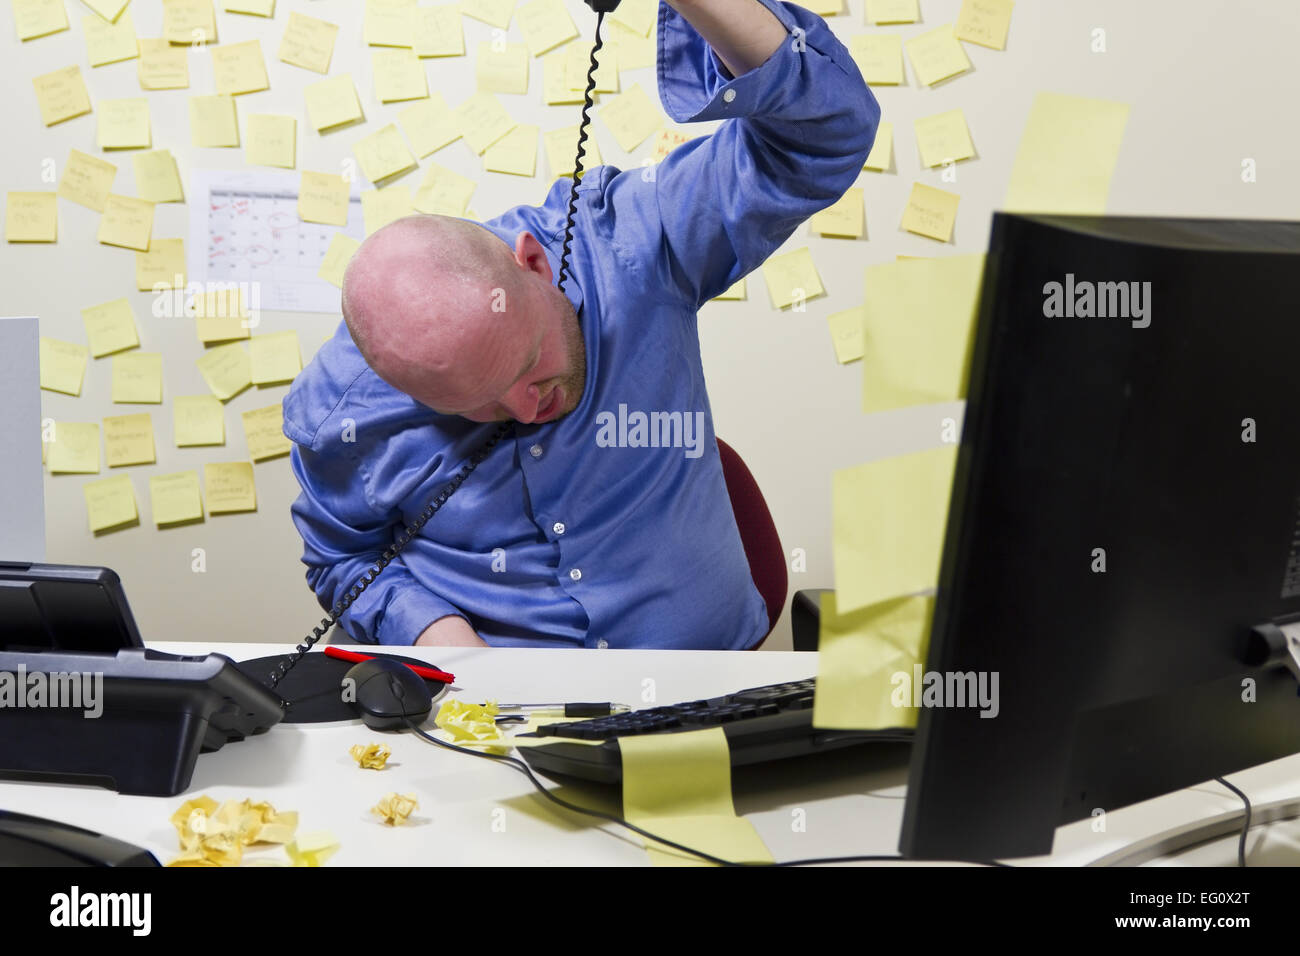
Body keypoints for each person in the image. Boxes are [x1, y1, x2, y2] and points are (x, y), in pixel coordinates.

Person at [282, 0, 880, 648]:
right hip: (499, 721)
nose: (525, 407)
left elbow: (826, 133)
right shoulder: (341, 409)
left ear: (535, 264)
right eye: (475, 406)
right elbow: (342, 557)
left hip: (712, 685)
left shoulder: (627, 242)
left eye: (525, 364)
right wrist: (433, 629)